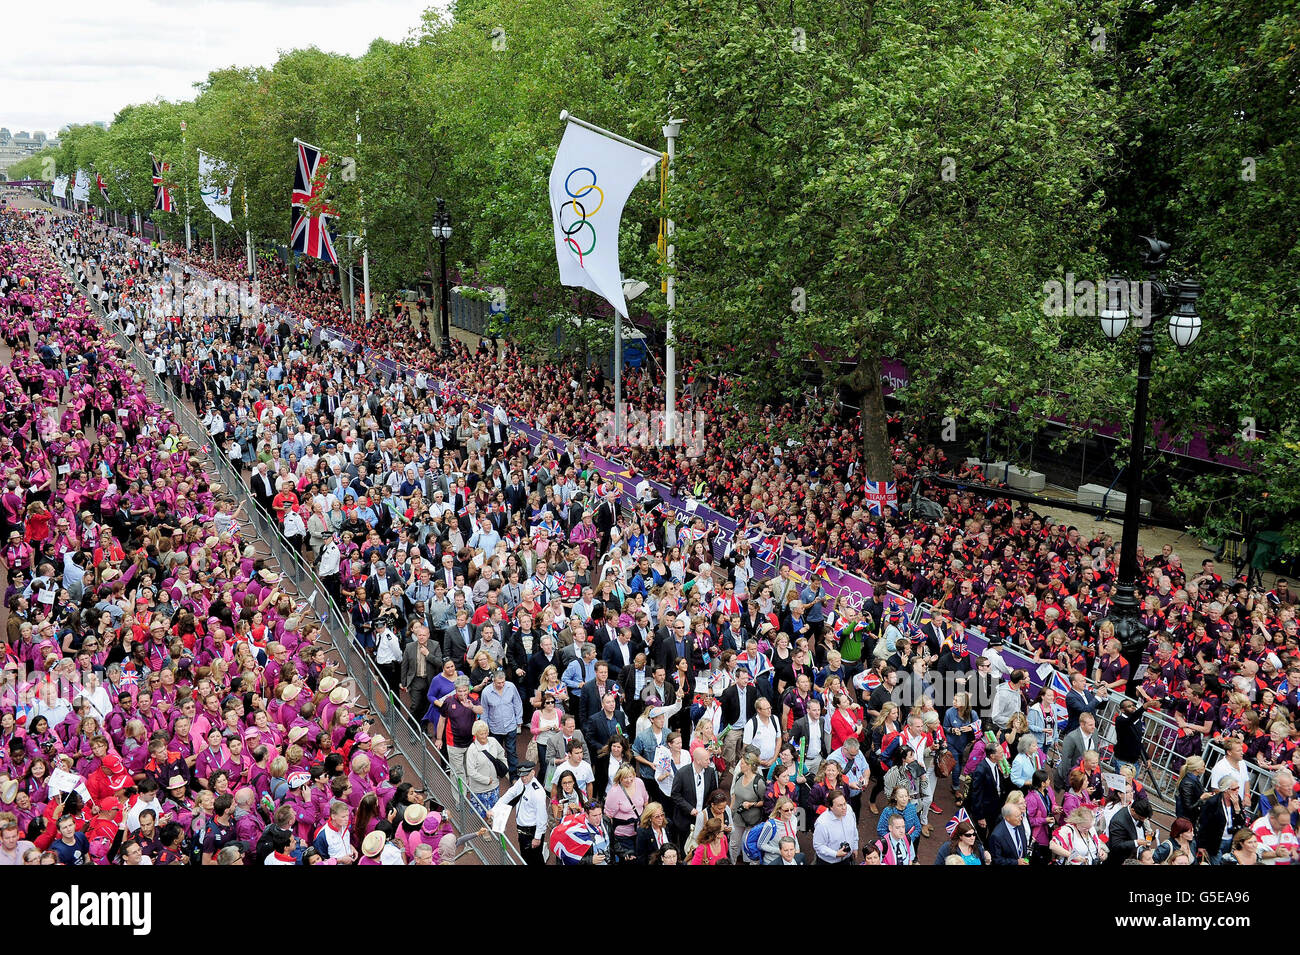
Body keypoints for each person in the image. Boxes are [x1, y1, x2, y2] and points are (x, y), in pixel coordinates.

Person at [491, 761, 547, 865]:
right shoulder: (522, 782)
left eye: (526, 775)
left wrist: (537, 837)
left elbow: (542, 817)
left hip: (531, 831)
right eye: (521, 775)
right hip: (522, 829)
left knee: (535, 859)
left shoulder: (538, 793)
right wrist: (495, 809)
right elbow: (510, 794)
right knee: (526, 857)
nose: (524, 778)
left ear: (533, 773)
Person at [811, 790, 858, 864]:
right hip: (829, 862)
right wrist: (835, 854)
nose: (844, 807)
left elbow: (854, 830)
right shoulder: (822, 823)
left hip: (847, 859)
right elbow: (818, 845)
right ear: (831, 807)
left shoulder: (849, 810)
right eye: (840, 805)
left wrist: (855, 847)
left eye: (844, 803)